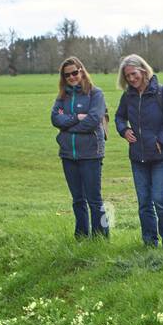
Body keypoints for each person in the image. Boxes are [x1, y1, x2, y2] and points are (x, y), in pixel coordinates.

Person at [114, 54, 163, 248]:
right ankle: (149, 243)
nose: (131, 79)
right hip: (138, 157)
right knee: (144, 202)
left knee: (159, 199)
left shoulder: (162, 92)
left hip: (162, 156)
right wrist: (124, 130)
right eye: (127, 76)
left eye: (133, 74)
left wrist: (161, 139)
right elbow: (119, 117)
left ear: (143, 70)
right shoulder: (128, 97)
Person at [50, 56, 108, 238]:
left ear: (81, 71)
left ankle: (100, 237)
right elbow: (55, 119)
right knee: (78, 200)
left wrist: (67, 127)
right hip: (68, 155)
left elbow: (92, 121)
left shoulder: (95, 94)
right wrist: (76, 118)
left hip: (91, 153)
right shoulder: (62, 97)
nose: (72, 77)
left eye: (75, 72)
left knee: (94, 199)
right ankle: (81, 236)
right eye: (67, 75)